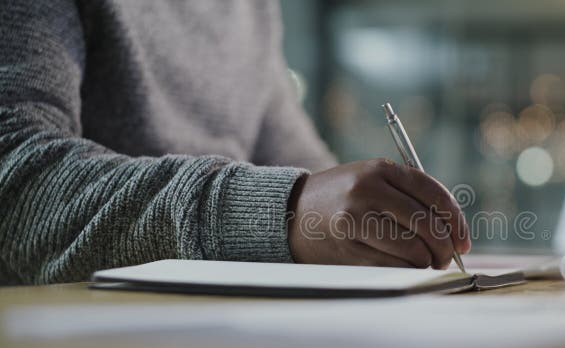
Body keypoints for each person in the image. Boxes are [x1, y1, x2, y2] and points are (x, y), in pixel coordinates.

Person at [0, 0, 470, 285]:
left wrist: (376, 218)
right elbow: (16, 179)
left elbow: (306, 172)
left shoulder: (249, 9)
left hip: (222, 338)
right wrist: (283, 212)